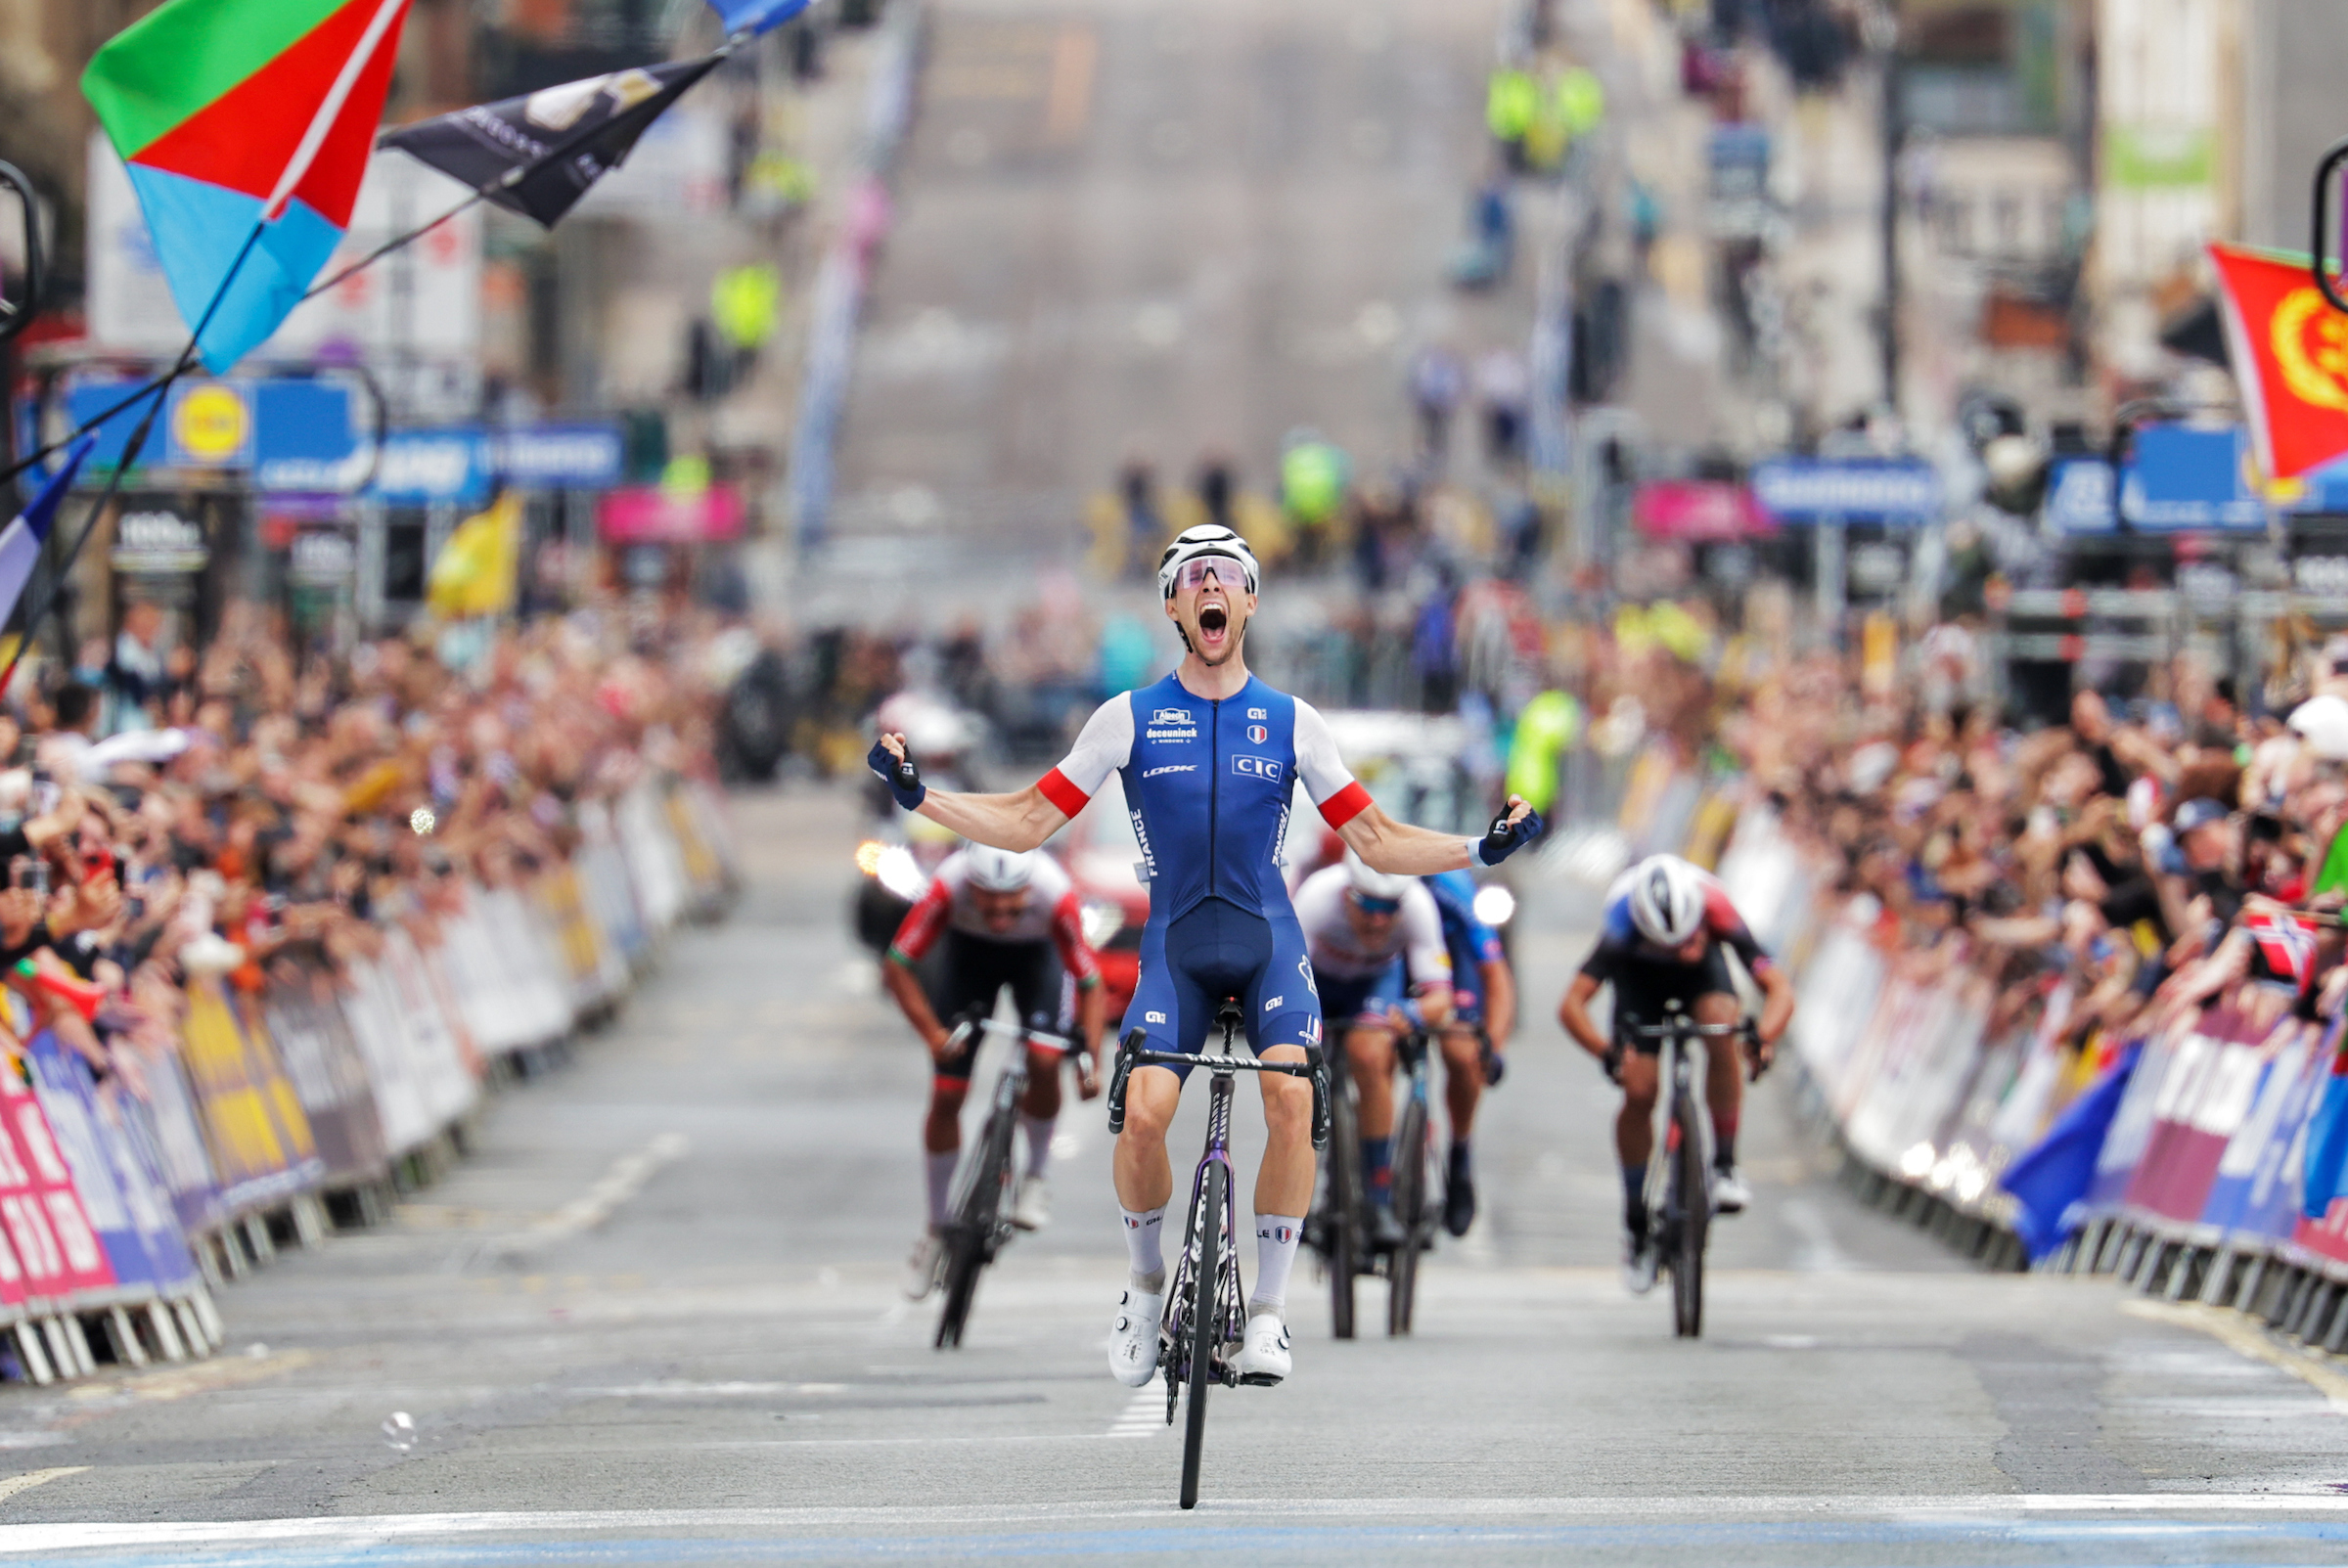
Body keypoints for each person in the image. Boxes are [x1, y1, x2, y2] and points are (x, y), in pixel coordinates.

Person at [868, 523, 1545, 1388]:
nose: (1212, 588)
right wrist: (924, 797)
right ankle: (1145, 1288)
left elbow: (1375, 838)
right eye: (1195, 578)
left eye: (1229, 577)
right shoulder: (1128, 719)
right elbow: (1029, 820)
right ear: (1175, 605)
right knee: (1144, 1115)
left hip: (1267, 940)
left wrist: (1479, 850)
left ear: (1250, 601)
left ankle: (1267, 1314)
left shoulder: (1295, 722)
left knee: (1291, 1102)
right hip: (1177, 945)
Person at [1556, 854, 1793, 1292]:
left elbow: (1778, 988)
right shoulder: (1620, 927)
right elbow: (1571, 1006)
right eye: (1667, 945)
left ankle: (1724, 1164)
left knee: (1722, 1027)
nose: (1679, 952)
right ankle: (1635, 1221)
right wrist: (1606, 1054)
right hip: (1638, 981)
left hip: (1704, 978)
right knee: (1640, 1089)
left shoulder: (1717, 909)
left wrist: (1763, 1037)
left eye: (1686, 941)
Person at [880, 845, 1106, 1299]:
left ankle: (1036, 1178)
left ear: (1028, 888)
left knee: (1044, 1060)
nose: (1001, 915)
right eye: (989, 904)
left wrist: (1090, 1062)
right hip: (970, 961)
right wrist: (932, 1035)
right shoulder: (948, 885)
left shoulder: (1054, 894)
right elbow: (898, 964)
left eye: (1012, 904)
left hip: (1037, 962)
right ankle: (936, 1228)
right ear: (971, 888)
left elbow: (1090, 983)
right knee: (947, 1094)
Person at [1293, 855, 1454, 1247]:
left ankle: (1379, 1199)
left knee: (1369, 1054)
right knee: (1293, 1072)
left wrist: (1410, 1013)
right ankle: (1307, 1191)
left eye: (1389, 909)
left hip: (1374, 987)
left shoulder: (1417, 904)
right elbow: (1282, 976)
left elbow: (1441, 999)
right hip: (1314, 983)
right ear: (1347, 895)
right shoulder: (1316, 899)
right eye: (1368, 906)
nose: (1379, 919)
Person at [1421, 868, 1514, 1235]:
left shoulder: (1453, 895)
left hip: (1449, 952)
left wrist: (1491, 1045)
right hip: (1389, 946)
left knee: (1463, 1054)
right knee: (1371, 1048)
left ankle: (1460, 1153)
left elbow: (1495, 976)